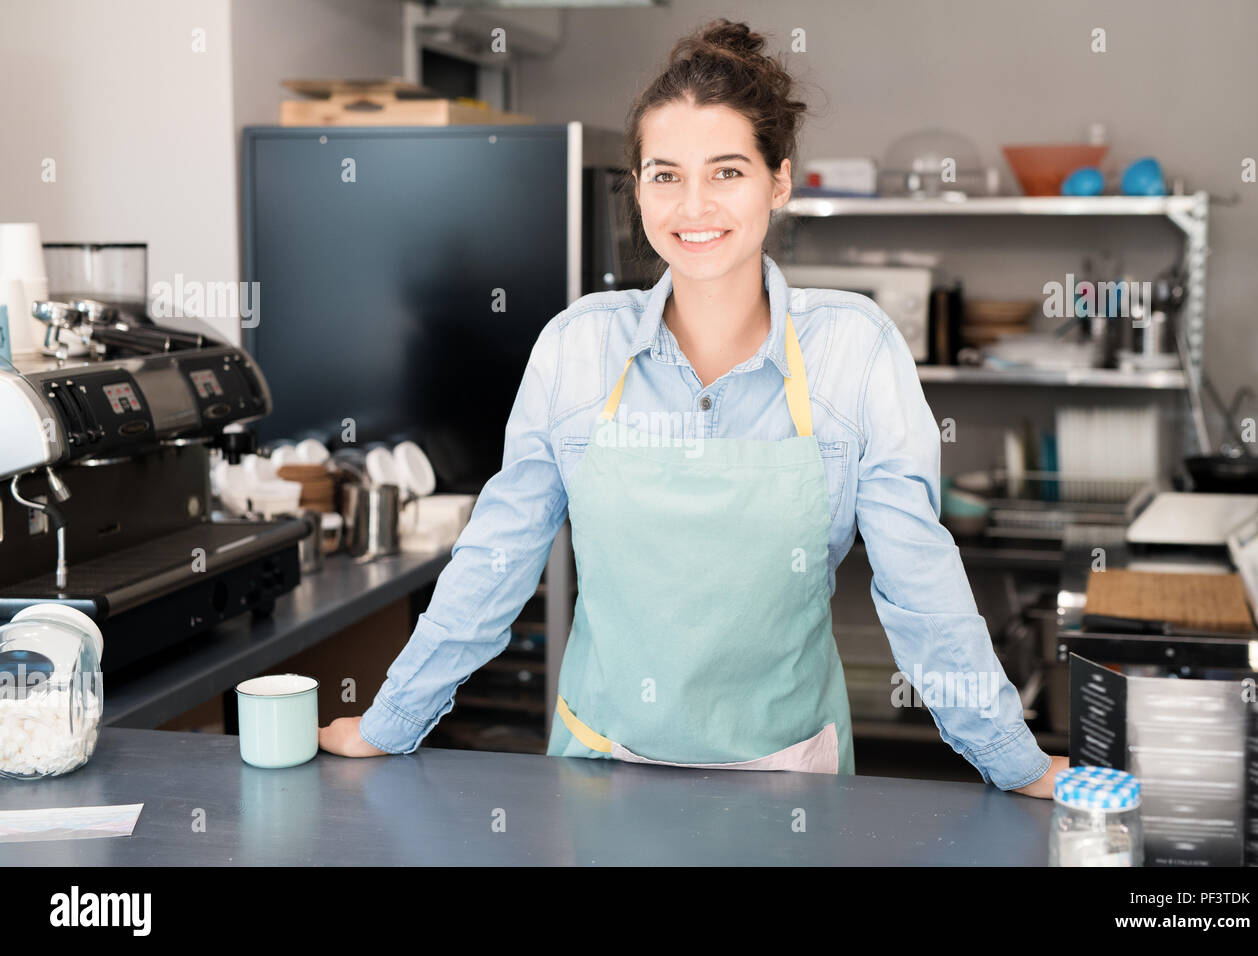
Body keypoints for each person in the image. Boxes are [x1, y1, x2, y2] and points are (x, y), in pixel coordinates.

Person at [321, 17, 1068, 795]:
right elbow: (497, 559)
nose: (693, 205)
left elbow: (920, 583)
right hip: (598, 769)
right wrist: (391, 720)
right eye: (665, 174)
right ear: (637, 186)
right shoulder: (577, 349)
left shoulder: (854, 351)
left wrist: (1011, 759)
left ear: (779, 181)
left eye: (727, 171)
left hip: (792, 779)